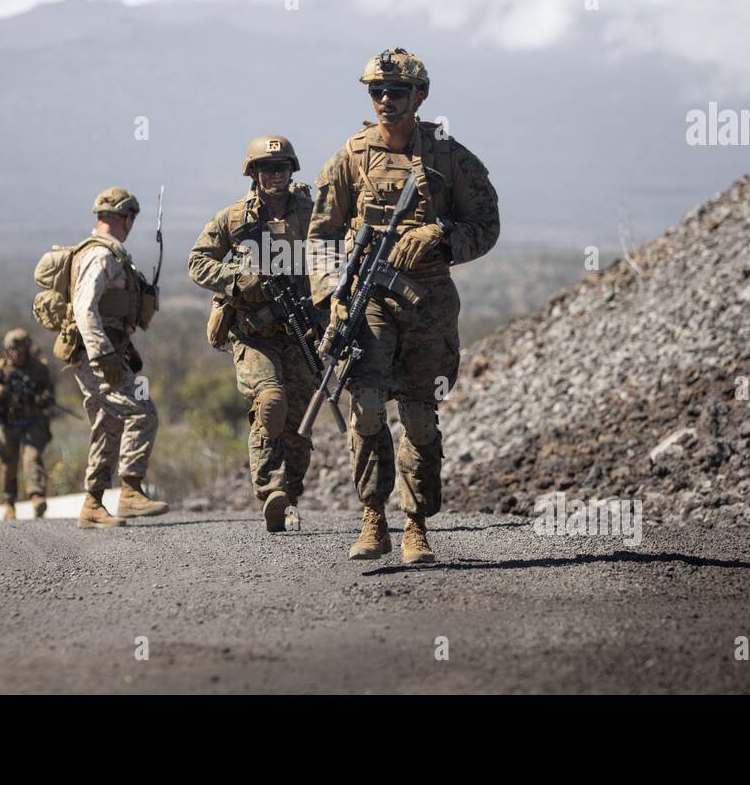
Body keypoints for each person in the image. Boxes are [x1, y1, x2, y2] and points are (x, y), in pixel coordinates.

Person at [306, 47, 500, 563]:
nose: (385, 100)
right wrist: (332, 295)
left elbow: (486, 226)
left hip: (428, 301)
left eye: (396, 91)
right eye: (376, 91)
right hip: (366, 300)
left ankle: (416, 525)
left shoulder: (449, 156)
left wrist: (443, 234)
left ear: (420, 95)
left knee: (417, 415)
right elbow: (321, 236)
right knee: (366, 407)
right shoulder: (349, 158)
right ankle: (373, 517)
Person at [187, 136, 316, 532]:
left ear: (292, 170)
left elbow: (336, 256)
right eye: (266, 168)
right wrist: (239, 279)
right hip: (253, 332)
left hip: (300, 331)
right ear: (253, 174)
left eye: (281, 167)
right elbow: (197, 262)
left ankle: (289, 498)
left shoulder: (312, 213)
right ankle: (270, 489)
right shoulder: (234, 218)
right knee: (271, 401)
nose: (275, 175)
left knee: (298, 421)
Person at [69, 187, 169, 528]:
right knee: (143, 411)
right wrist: (102, 356)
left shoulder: (108, 253)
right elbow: (85, 309)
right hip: (98, 355)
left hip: (103, 352)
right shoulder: (102, 256)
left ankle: (93, 504)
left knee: (108, 424)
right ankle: (130, 492)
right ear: (125, 218)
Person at [0, 328, 56, 520]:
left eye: (21, 349)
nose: (17, 353)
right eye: (13, 349)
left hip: (32, 421)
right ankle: (9, 503)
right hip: (7, 423)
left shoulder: (39, 369)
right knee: (8, 464)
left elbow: (50, 394)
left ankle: (37, 497)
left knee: (32, 458)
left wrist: (41, 399)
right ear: (7, 350)